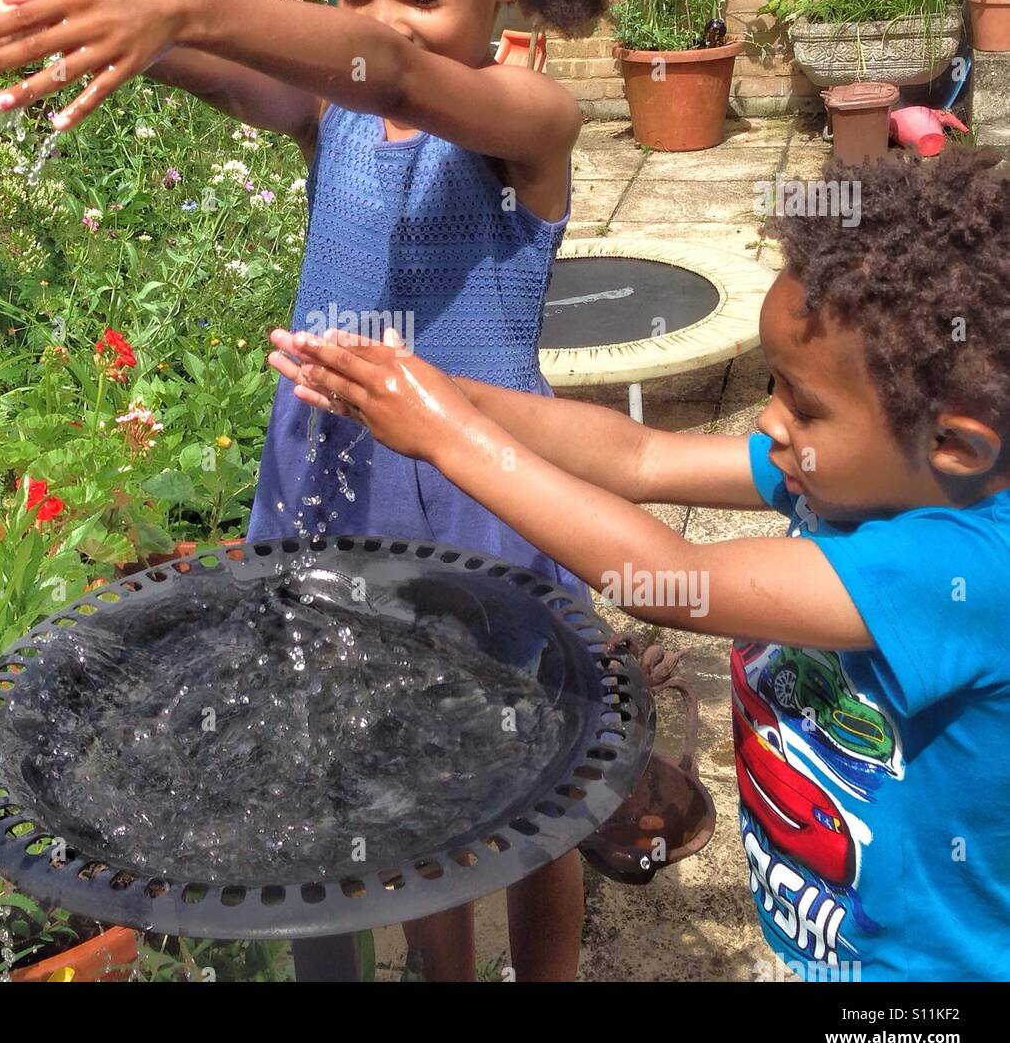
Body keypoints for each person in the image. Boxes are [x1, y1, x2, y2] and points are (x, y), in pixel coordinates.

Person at [0, 0, 610, 980]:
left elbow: (385, 70)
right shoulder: (328, 111)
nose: (381, 19)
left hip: (479, 501)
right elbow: (248, 69)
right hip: (333, 488)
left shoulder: (527, 118)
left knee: (522, 790)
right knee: (386, 773)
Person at [272, 148, 1010, 979]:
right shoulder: (850, 476)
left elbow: (678, 583)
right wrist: (447, 392)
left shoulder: (971, 572)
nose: (769, 423)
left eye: (802, 403)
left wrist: (451, 439)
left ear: (954, 443)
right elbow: (641, 457)